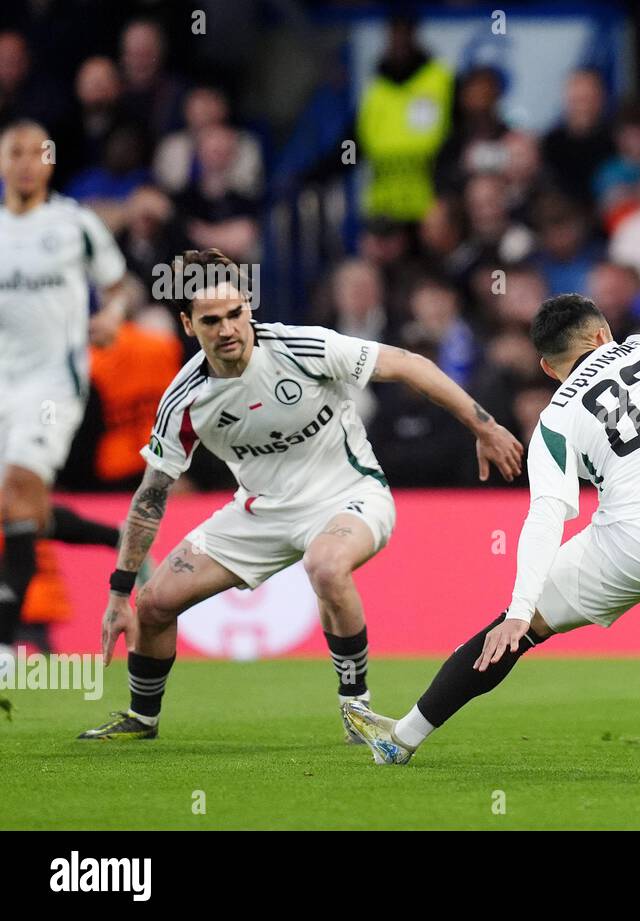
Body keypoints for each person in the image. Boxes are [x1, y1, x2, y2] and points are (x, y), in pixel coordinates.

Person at [344, 210, 640, 769]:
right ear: (603, 334)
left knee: (515, 631)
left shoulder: (554, 416)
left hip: (627, 546)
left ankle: (402, 736)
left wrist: (521, 609)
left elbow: (546, 515)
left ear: (549, 369)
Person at [78, 248, 523, 741]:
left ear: (248, 306)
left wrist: (482, 425)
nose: (227, 329)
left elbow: (406, 364)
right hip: (259, 513)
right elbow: (151, 495)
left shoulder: (300, 347)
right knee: (156, 602)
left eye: (235, 314)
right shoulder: (186, 400)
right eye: (211, 320)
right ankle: (143, 718)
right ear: (188, 324)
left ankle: (357, 710)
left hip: (349, 494)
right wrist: (120, 591)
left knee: (326, 565)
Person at [0, 120, 136, 679]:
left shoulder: (75, 224)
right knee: (21, 509)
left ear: (51, 164)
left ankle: (6, 647)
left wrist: (112, 316)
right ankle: (119, 540)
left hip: (55, 385)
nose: (27, 162)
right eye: (15, 153)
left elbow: (120, 285)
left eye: (38, 153)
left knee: (15, 495)